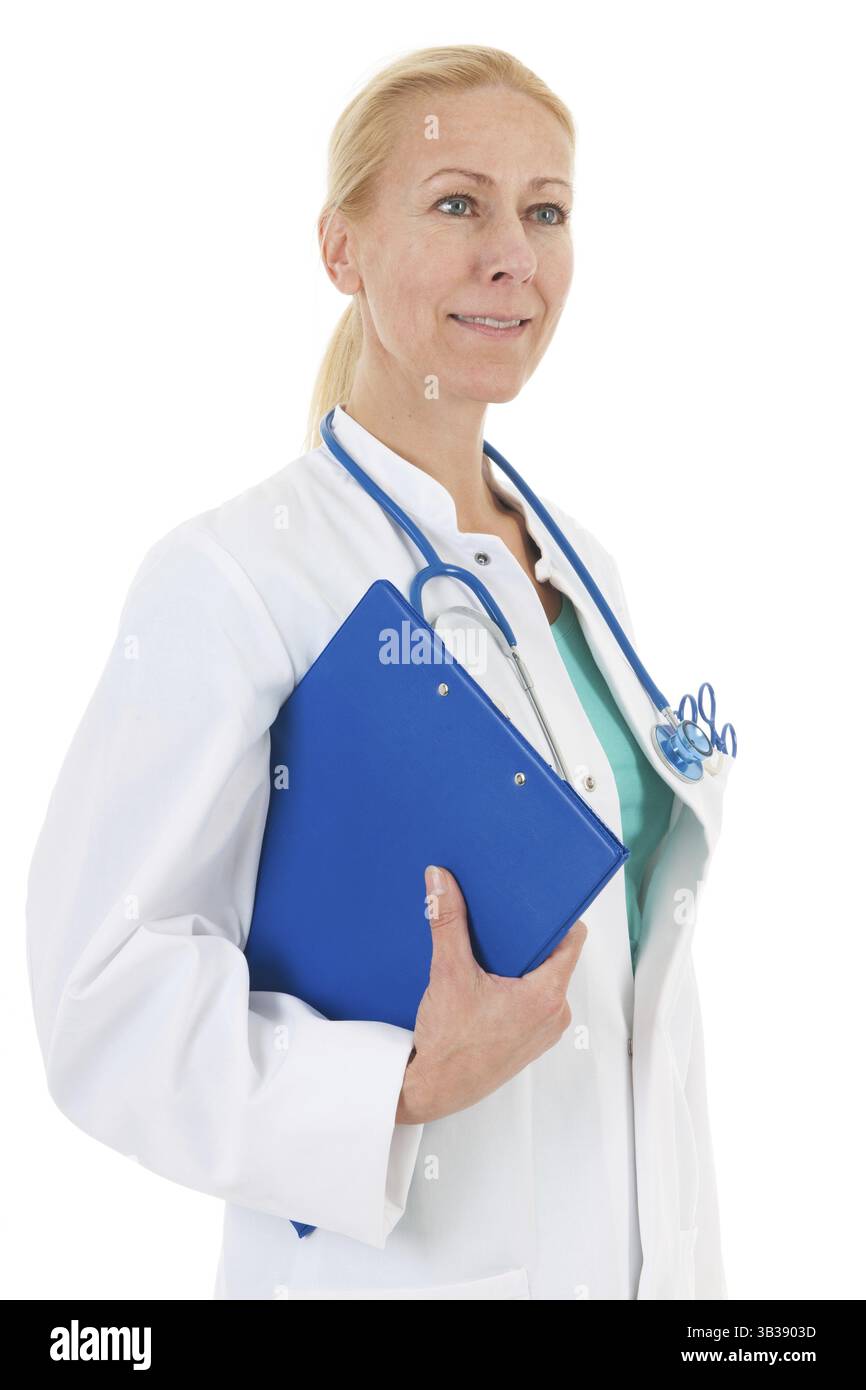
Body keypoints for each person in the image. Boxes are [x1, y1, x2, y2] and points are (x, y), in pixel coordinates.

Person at [25, 44, 735, 1300]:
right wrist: (398, 1086)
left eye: (545, 210)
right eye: (457, 201)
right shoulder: (237, 574)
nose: (510, 252)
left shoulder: (586, 575)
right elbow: (102, 999)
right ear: (339, 249)